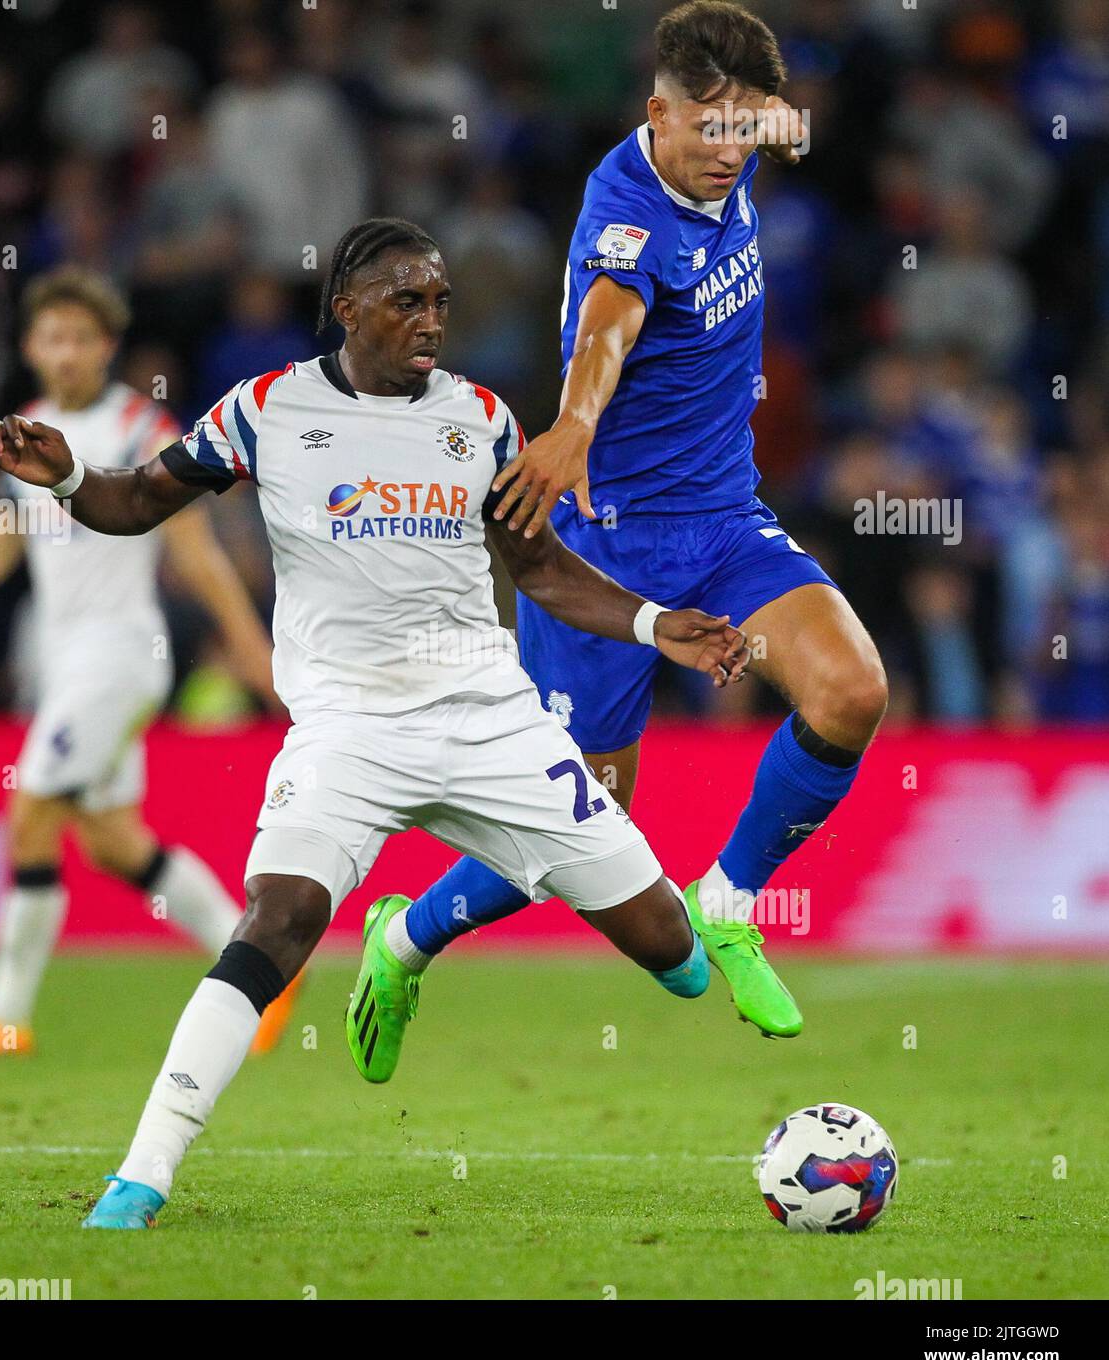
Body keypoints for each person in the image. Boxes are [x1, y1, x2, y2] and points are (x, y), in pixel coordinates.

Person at [0, 218, 747, 1228]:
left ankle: (409, 933)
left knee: (673, 955)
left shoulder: (482, 419)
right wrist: (71, 476)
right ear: (346, 307)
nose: (430, 322)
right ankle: (142, 1171)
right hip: (346, 727)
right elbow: (134, 503)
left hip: (488, 720)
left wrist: (654, 625)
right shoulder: (264, 409)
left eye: (439, 304)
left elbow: (543, 571)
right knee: (276, 922)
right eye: (405, 302)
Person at [373, 0, 889, 1056]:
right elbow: (607, 324)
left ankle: (728, 899)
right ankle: (405, 937)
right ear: (656, 113)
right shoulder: (630, 221)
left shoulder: (737, 141)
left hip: (725, 521)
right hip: (601, 558)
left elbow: (781, 123)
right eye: (705, 129)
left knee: (852, 689)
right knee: (579, 826)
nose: (723, 152)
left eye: (742, 130)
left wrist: (773, 121)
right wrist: (569, 425)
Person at [0, 267, 298, 1057]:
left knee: (30, 812)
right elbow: (1, 548)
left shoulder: (141, 428)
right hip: (63, 659)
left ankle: (4, 1014)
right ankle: (266, 971)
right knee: (110, 840)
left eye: (81, 338)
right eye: (51, 337)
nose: (65, 352)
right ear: (31, 346)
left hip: (121, 652)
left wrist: (253, 650)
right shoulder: (27, 427)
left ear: (105, 347)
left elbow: (196, 556)